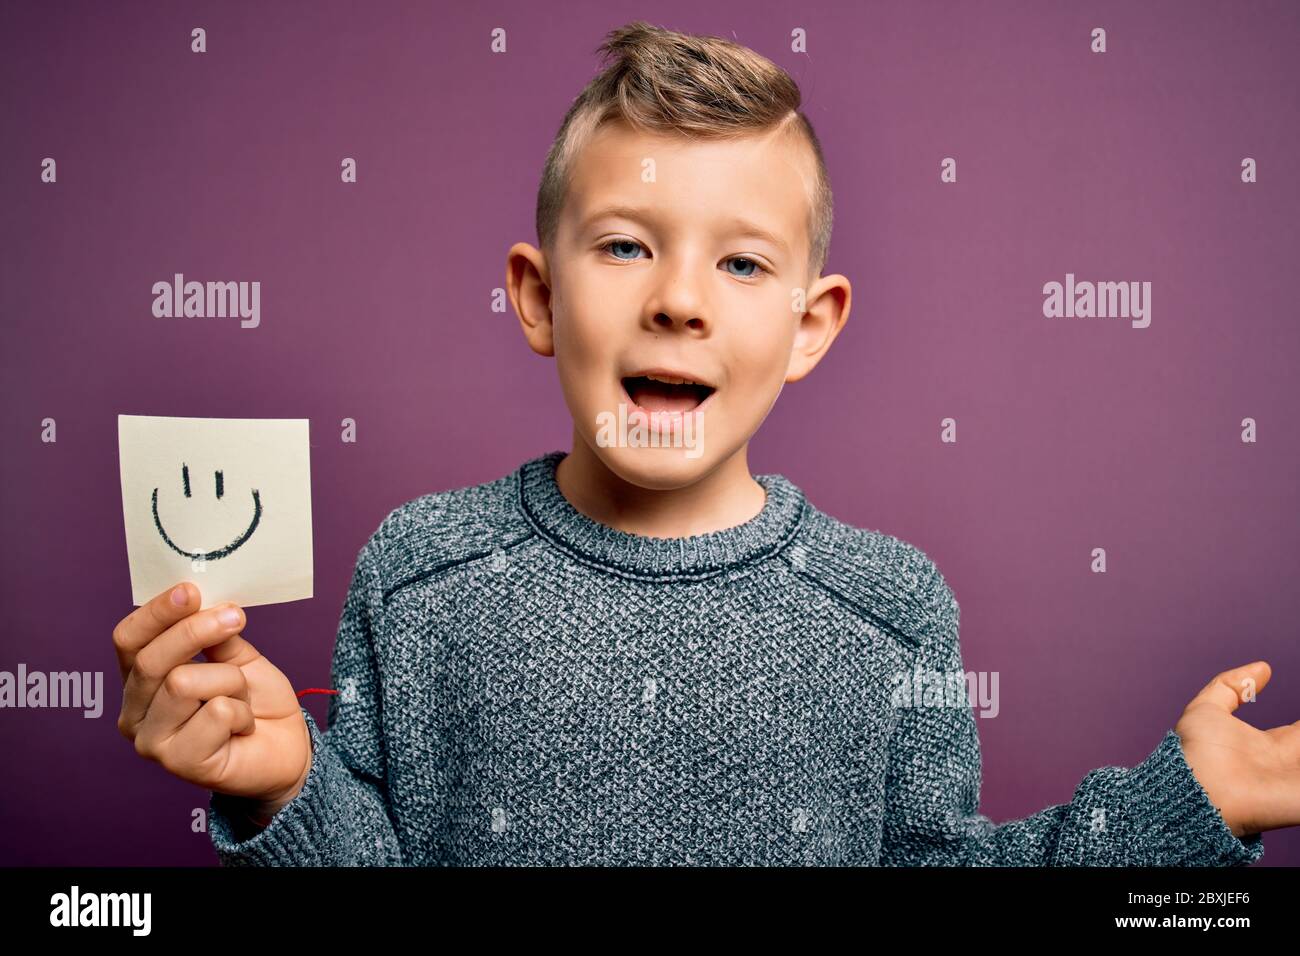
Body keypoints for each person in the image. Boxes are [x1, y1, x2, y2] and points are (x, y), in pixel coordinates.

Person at [112, 21, 1296, 866]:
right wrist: (285, 788)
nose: (680, 300)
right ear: (536, 297)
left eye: (740, 262)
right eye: (626, 244)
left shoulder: (888, 604)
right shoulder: (420, 571)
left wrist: (1188, 809)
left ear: (808, 324)